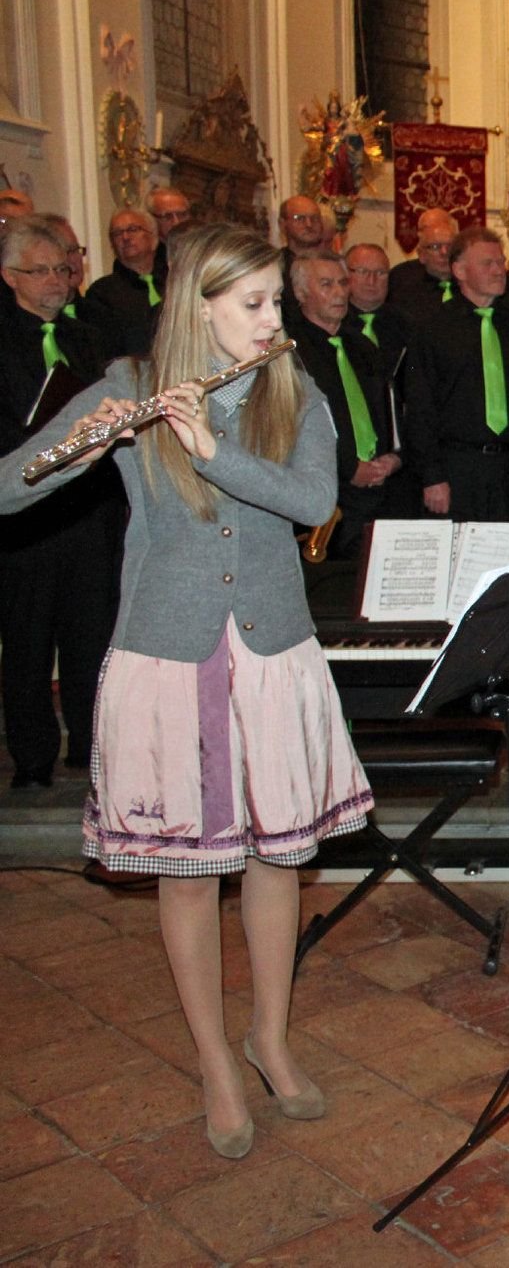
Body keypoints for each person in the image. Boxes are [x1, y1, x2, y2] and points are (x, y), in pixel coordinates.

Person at [0, 221, 372, 1157]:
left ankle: (270, 1040)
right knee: (186, 870)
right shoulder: (130, 385)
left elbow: (311, 503)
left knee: (277, 861)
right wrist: (78, 455)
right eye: (252, 304)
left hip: (272, 650)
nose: (270, 319)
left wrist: (211, 446)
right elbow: (7, 487)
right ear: (196, 304)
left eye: (275, 302)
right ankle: (216, 1062)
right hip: (167, 654)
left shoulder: (298, 391)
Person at [0, 217, 118, 787]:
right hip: (24, 518)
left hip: (86, 508)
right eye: (40, 271)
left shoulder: (86, 336)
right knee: (26, 641)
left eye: (62, 269)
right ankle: (32, 759)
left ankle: (91, 749)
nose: (56, 280)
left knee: (90, 636)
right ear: (9, 276)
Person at [403, 228, 509, 523]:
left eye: (501, 262)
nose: (499, 270)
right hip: (460, 467)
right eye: (488, 264)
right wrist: (432, 476)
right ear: (459, 270)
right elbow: (420, 408)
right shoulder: (432, 329)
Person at [287, 248, 412, 558]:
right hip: (329, 491)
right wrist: (348, 468)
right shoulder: (289, 352)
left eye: (343, 283)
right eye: (326, 284)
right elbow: (293, 424)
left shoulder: (362, 345)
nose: (340, 292)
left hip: (380, 490)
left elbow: (392, 409)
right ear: (301, 292)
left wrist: (395, 457)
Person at [87, 208, 168, 358]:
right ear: (112, 245)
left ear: (153, 237)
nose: (125, 237)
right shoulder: (101, 293)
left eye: (133, 229)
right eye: (117, 233)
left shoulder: (175, 281)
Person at [387, 208, 458, 318]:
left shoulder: (471, 278)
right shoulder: (400, 278)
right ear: (421, 253)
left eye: (449, 245)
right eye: (435, 246)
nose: (444, 252)